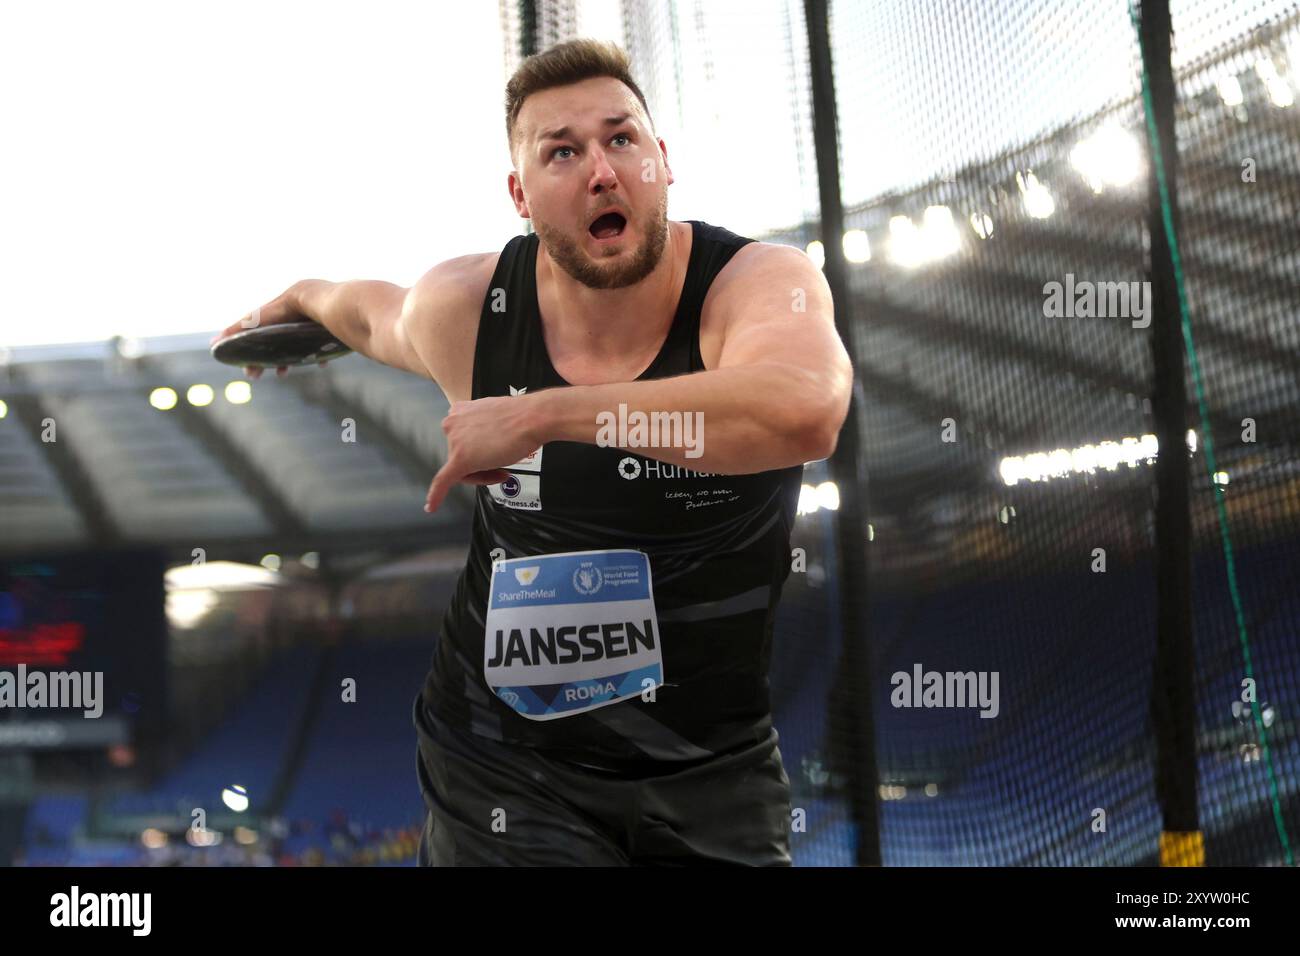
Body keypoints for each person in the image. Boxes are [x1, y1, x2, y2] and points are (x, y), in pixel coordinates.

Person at [215, 38, 852, 866]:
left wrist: (547, 416)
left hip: (710, 766)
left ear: (663, 162)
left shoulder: (754, 284)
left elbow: (804, 412)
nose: (601, 170)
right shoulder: (471, 310)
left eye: (623, 139)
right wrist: (306, 301)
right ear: (520, 194)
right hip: (501, 765)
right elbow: (374, 316)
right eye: (562, 151)